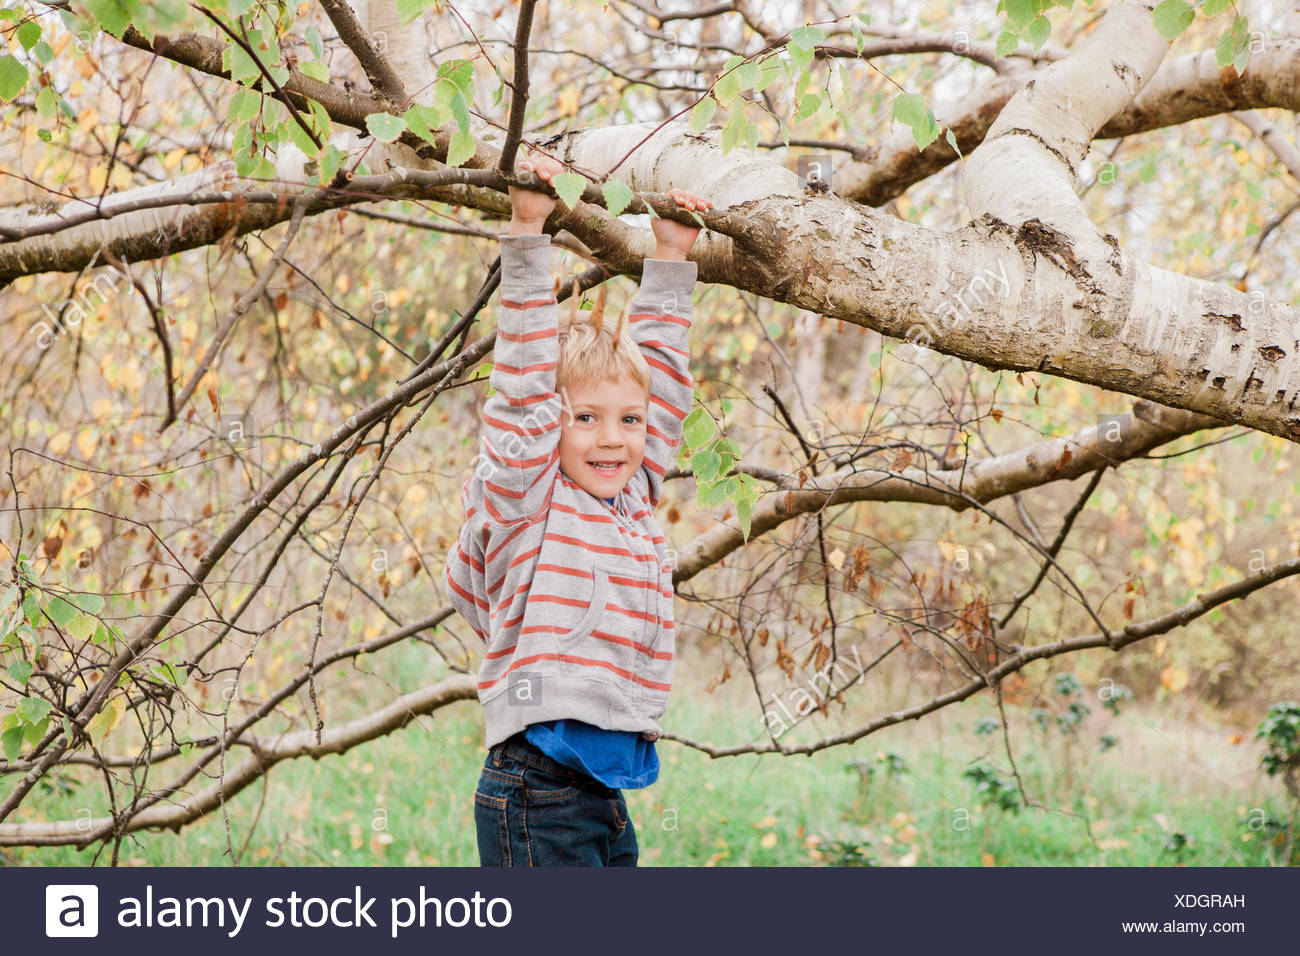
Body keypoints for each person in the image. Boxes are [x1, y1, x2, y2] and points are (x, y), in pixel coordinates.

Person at [442, 150, 712, 866]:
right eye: (586, 418)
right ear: (551, 427)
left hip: (597, 792)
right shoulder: (529, 495)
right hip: (538, 785)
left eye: (628, 422)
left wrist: (671, 257)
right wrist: (529, 236)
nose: (613, 439)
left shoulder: (631, 495)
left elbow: (663, 376)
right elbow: (523, 389)